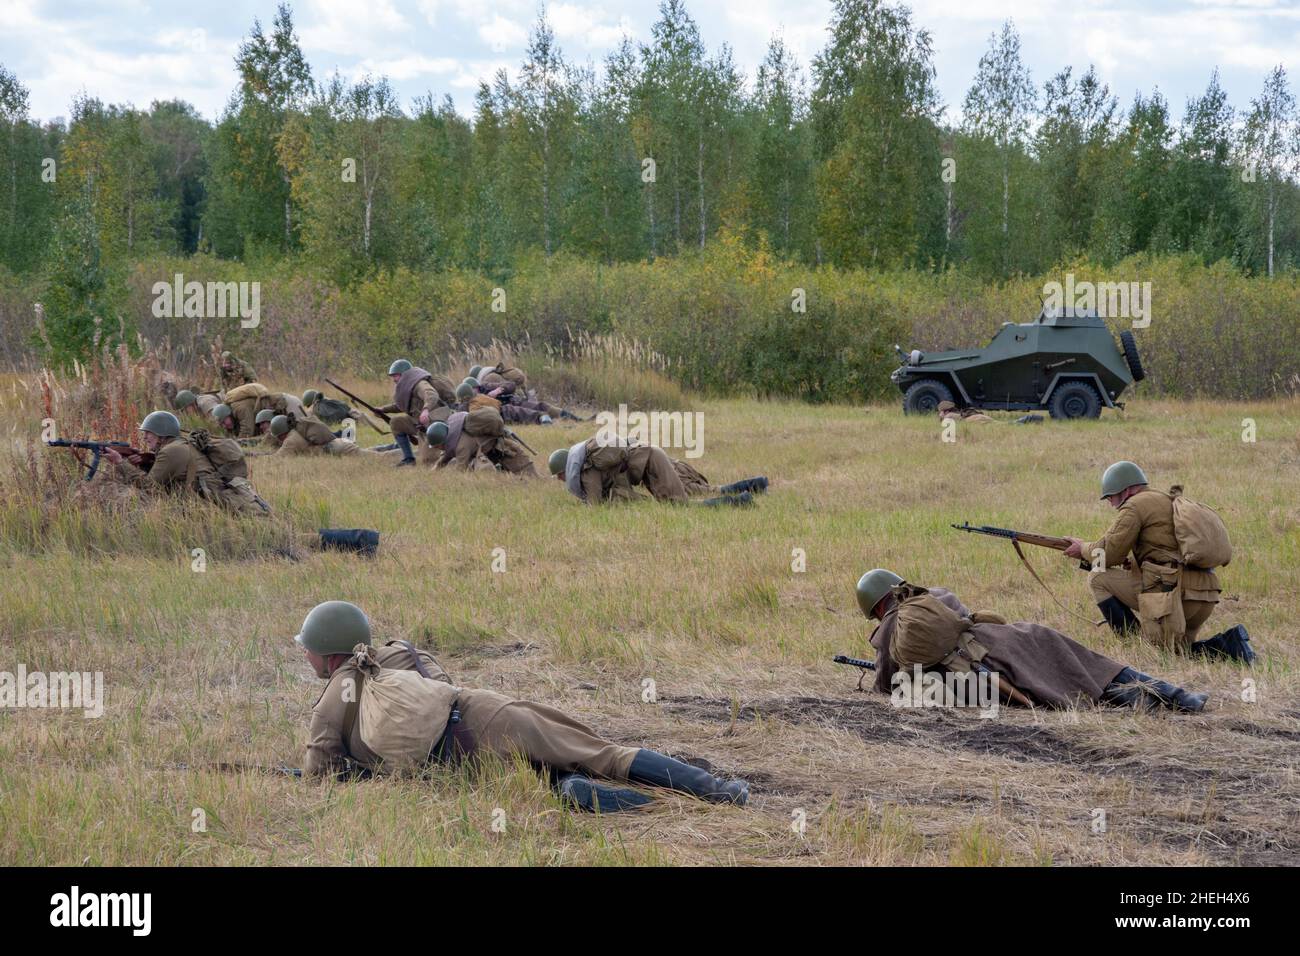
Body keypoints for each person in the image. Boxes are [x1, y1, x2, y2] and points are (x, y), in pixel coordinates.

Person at [296, 601, 750, 812]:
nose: (306, 655)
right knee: (605, 755)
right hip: (485, 716)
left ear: (325, 650)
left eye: (308, 648)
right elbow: (442, 684)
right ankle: (718, 792)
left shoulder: (327, 708)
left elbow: (321, 778)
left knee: (546, 779)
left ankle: (578, 791)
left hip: (460, 767)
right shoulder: (395, 655)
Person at [853, 568, 1209, 713]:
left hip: (983, 673)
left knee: (1068, 692)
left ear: (875, 607)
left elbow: (887, 685)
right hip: (1015, 638)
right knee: (1094, 667)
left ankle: (1151, 703)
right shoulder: (935, 596)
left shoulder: (888, 628)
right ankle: (1177, 695)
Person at [1061, 461, 1254, 662]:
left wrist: (1082, 548)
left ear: (1126, 490)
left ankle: (1136, 644)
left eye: (1110, 496)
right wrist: (1134, 563)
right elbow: (1168, 552)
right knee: (1179, 655)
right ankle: (1232, 645)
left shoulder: (1135, 506)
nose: (1110, 502)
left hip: (1172, 597)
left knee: (1098, 577)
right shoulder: (1165, 500)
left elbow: (1108, 554)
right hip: (1203, 596)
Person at [105, 410, 270, 517]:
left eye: (148, 432)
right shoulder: (179, 444)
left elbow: (150, 487)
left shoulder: (171, 451)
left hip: (210, 506)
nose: (145, 436)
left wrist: (120, 463)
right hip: (212, 499)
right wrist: (145, 462)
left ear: (162, 433)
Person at [547, 436, 761, 506]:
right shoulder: (589, 457)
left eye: (559, 475)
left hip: (651, 462)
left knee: (680, 506)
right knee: (701, 490)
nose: (560, 479)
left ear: (564, 469)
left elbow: (595, 506)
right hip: (651, 457)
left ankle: (742, 501)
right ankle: (757, 484)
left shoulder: (586, 471)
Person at [377, 359, 454, 467]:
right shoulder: (408, 385)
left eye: (396, 376)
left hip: (434, 425)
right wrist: (383, 409)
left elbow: (432, 395)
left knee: (428, 461)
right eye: (393, 376)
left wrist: (426, 409)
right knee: (396, 422)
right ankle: (408, 459)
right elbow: (402, 405)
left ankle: (453, 459)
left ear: (405, 374)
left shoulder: (419, 384)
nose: (394, 379)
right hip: (420, 423)